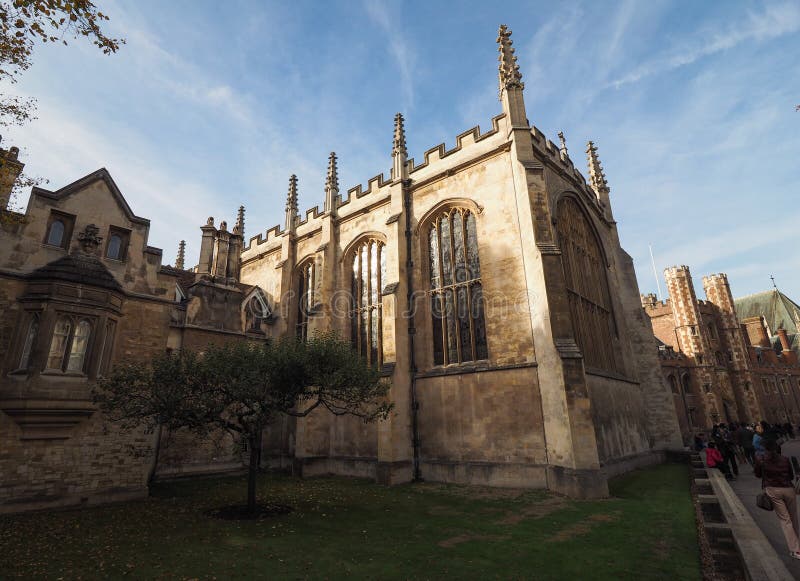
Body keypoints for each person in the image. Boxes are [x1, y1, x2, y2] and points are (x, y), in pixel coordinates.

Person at [754, 439, 800, 559]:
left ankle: (795, 550)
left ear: (765, 449)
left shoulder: (762, 460)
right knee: (794, 518)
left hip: (773, 490)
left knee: (785, 520)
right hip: (788, 488)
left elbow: (758, 475)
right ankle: (798, 544)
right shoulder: (784, 459)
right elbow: (790, 475)